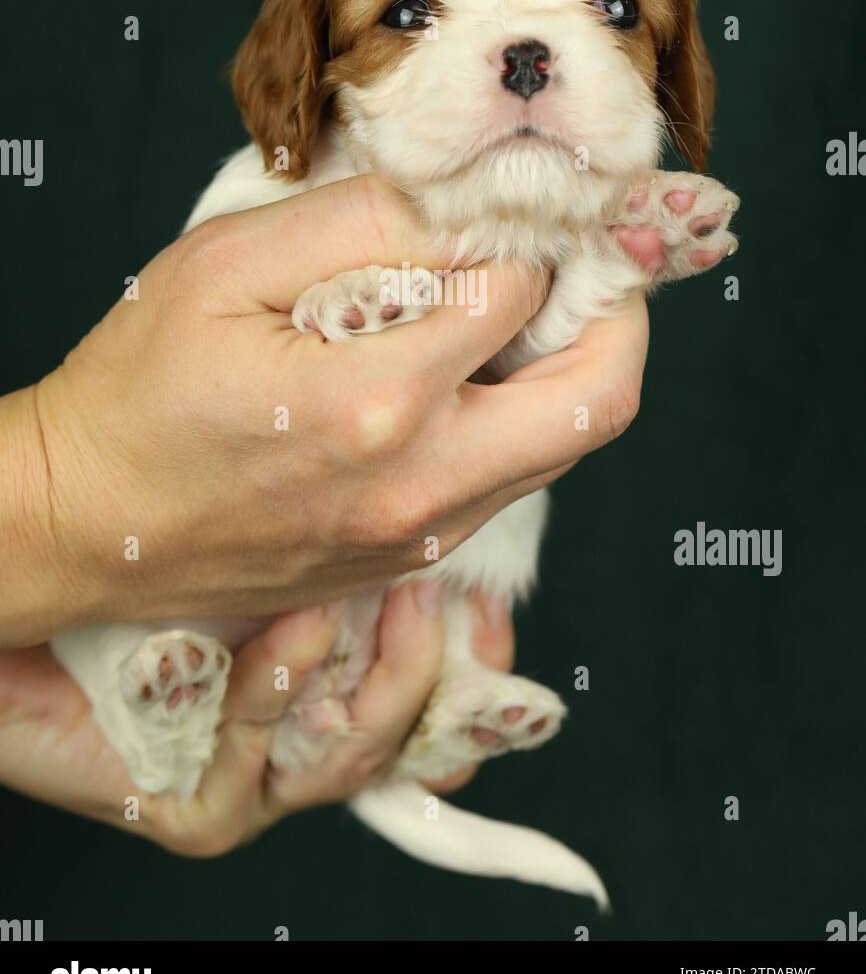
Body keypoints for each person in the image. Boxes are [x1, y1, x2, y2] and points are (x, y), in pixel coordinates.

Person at [0, 175, 648, 853]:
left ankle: (441, 688)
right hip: (170, 646)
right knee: (116, 637)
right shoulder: (278, 183)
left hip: (341, 625)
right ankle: (173, 712)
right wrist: (54, 498)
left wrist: (32, 716)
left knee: (440, 585)